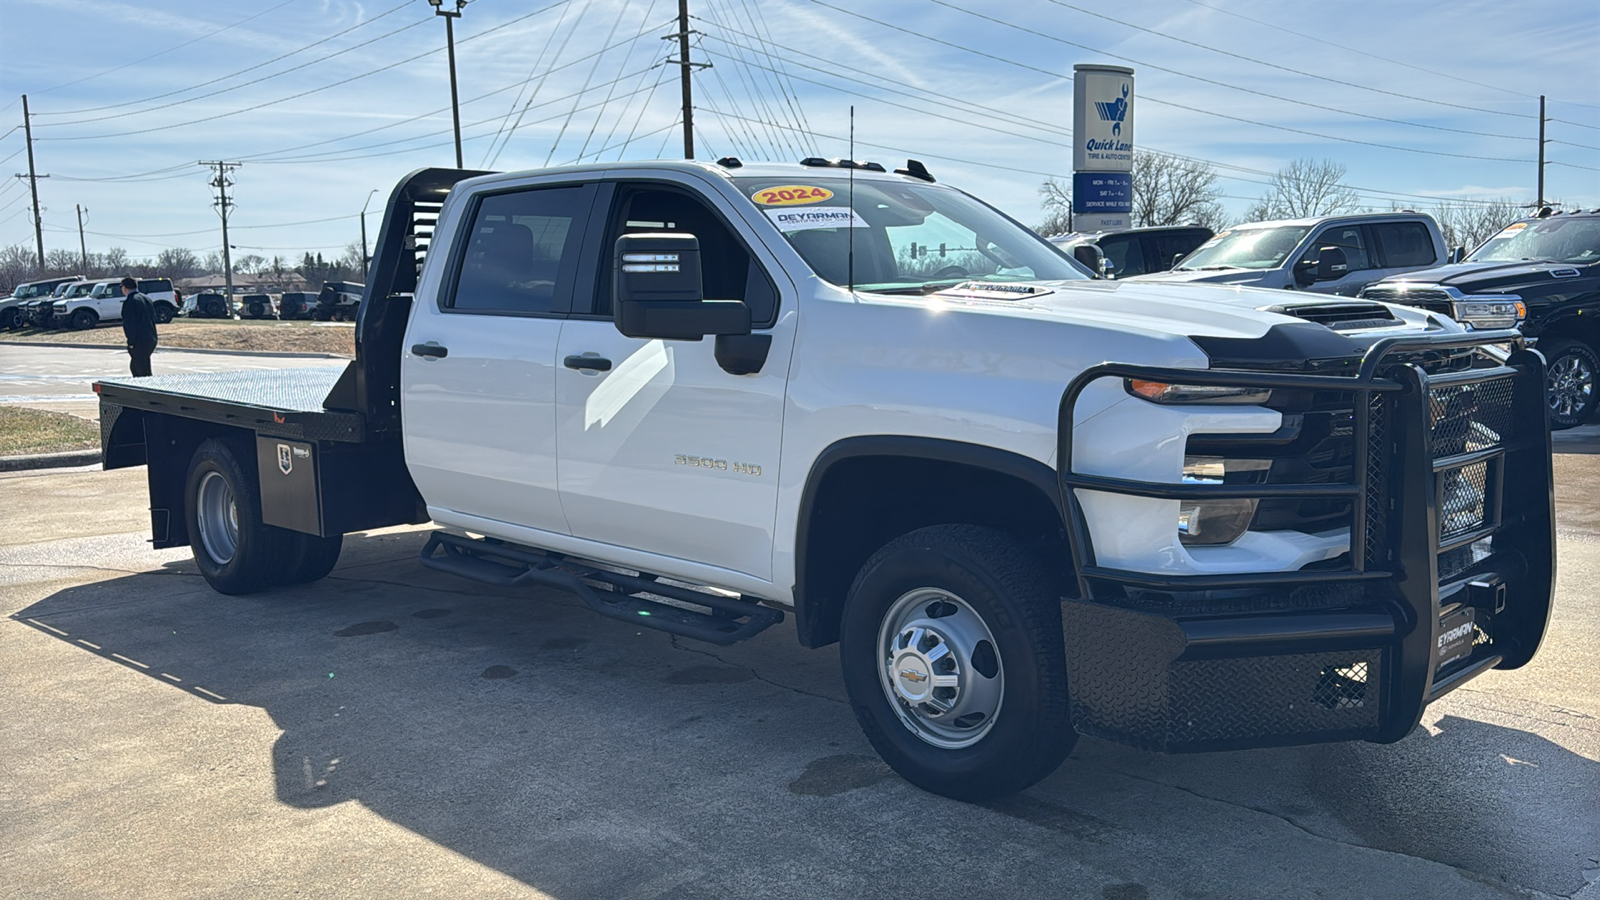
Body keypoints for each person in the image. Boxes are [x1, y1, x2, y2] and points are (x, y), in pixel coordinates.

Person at [120, 276, 158, 377]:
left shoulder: (130, 302)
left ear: (124, 288)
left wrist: (131, 342)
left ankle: (148, 391)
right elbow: (153, 318)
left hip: (139, 341)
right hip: (151, 338)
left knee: (141, 371)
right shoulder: (147, 299)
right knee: (137, 366)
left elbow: (129, 324)